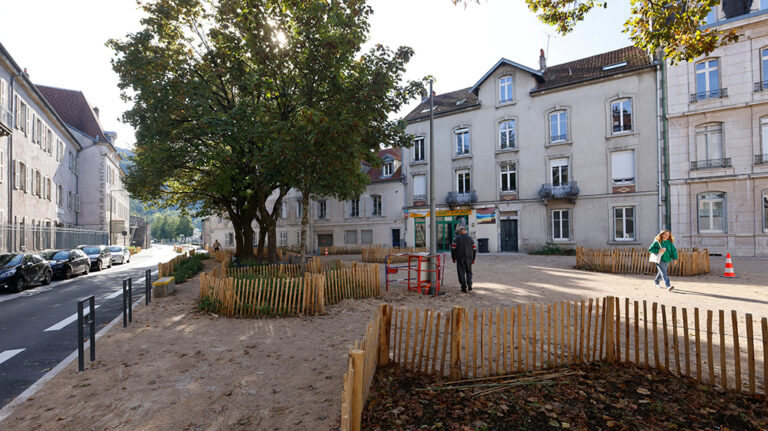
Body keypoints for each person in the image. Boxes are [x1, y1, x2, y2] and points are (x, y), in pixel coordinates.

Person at [451, 226, 476, 293]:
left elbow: (453, 249)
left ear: (460, 232)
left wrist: (453, 258)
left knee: (461, 272)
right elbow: (474, 249)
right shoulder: (470, 239)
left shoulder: (456, 239)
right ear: (466, 232)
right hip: (469, 257)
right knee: (469, 271)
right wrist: (473, 258)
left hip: (460, 257)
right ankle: (469, 284)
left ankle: (463, 287)